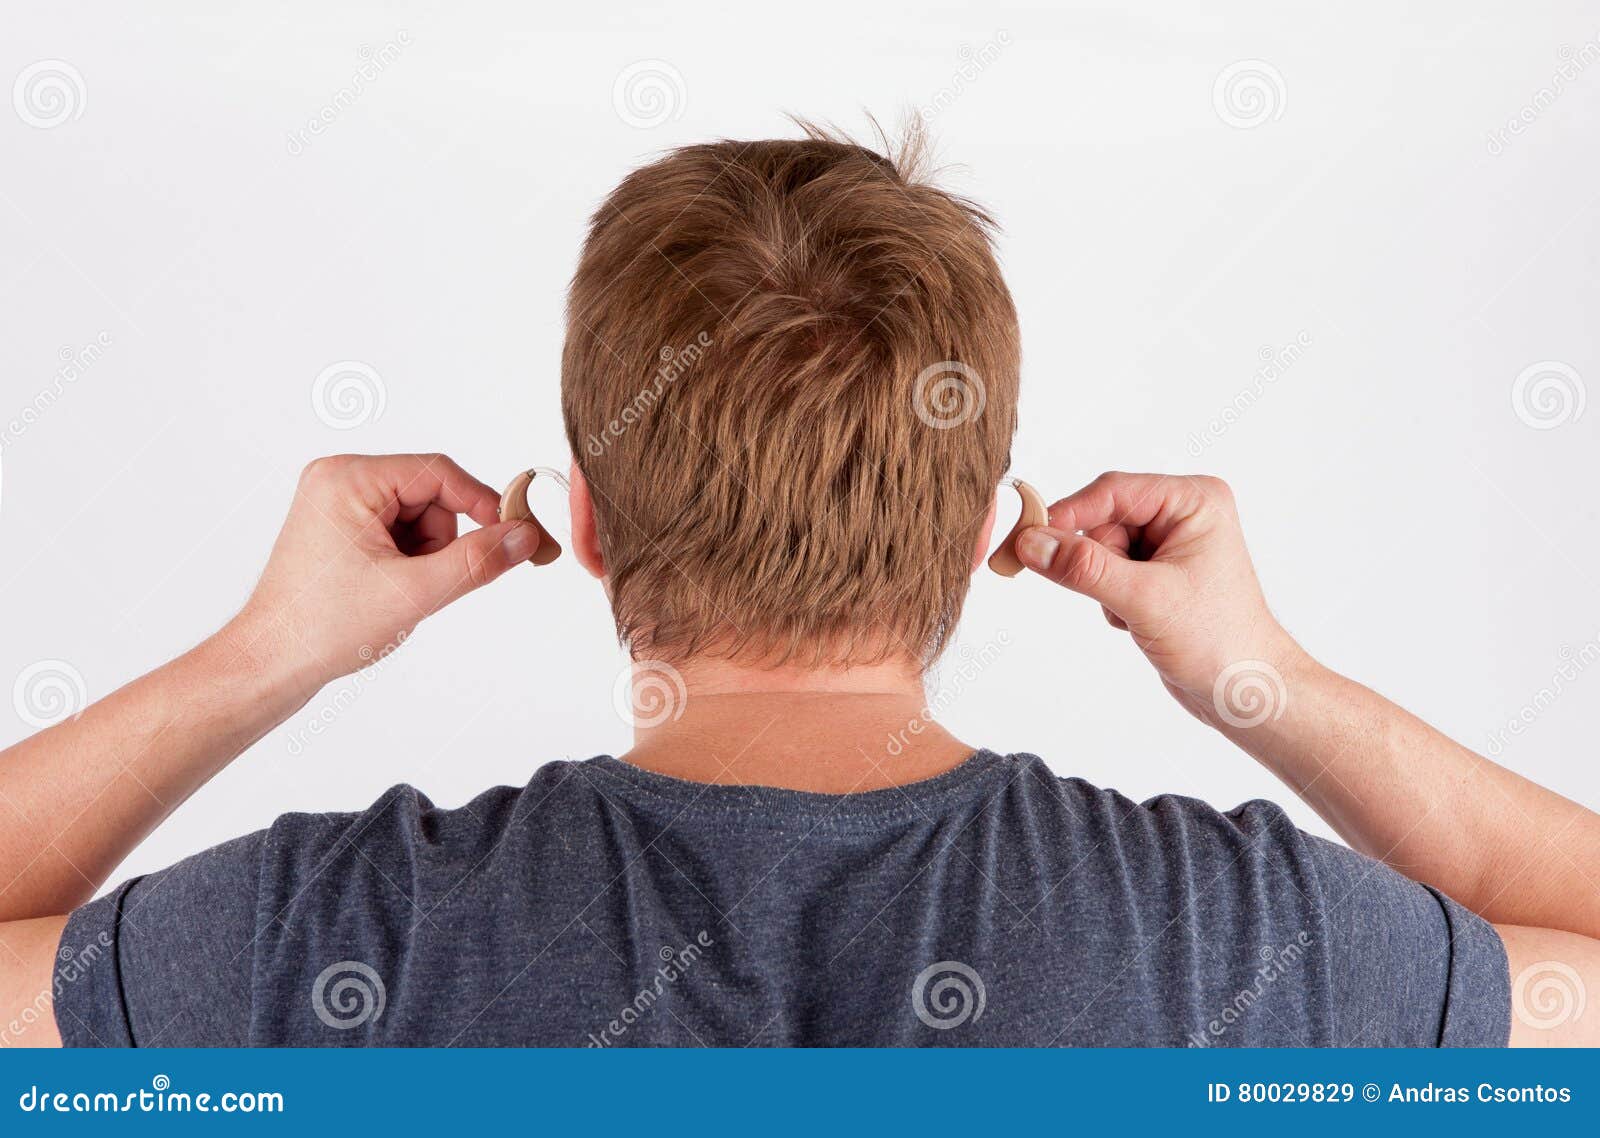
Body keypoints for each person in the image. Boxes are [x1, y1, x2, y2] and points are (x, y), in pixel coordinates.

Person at [2, 128, 1595, 1048]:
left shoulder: (334, 940)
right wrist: (1266, 679)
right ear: (989, 521)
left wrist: (269, 654)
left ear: (593, 522)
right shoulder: (1227, 939)